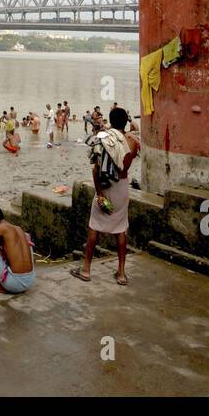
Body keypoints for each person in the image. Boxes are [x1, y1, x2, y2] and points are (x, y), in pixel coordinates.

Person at [71, 107, 140, 286]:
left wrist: (100, 194)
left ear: (110, 120)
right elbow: (129, 160)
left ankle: (86, 269)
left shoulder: (105, 139)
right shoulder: (132, 141)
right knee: (120, 228)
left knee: (95, 226)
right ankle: (122, 273)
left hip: (106, 185)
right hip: (122, 186)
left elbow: (96, 169)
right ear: (126, 121)